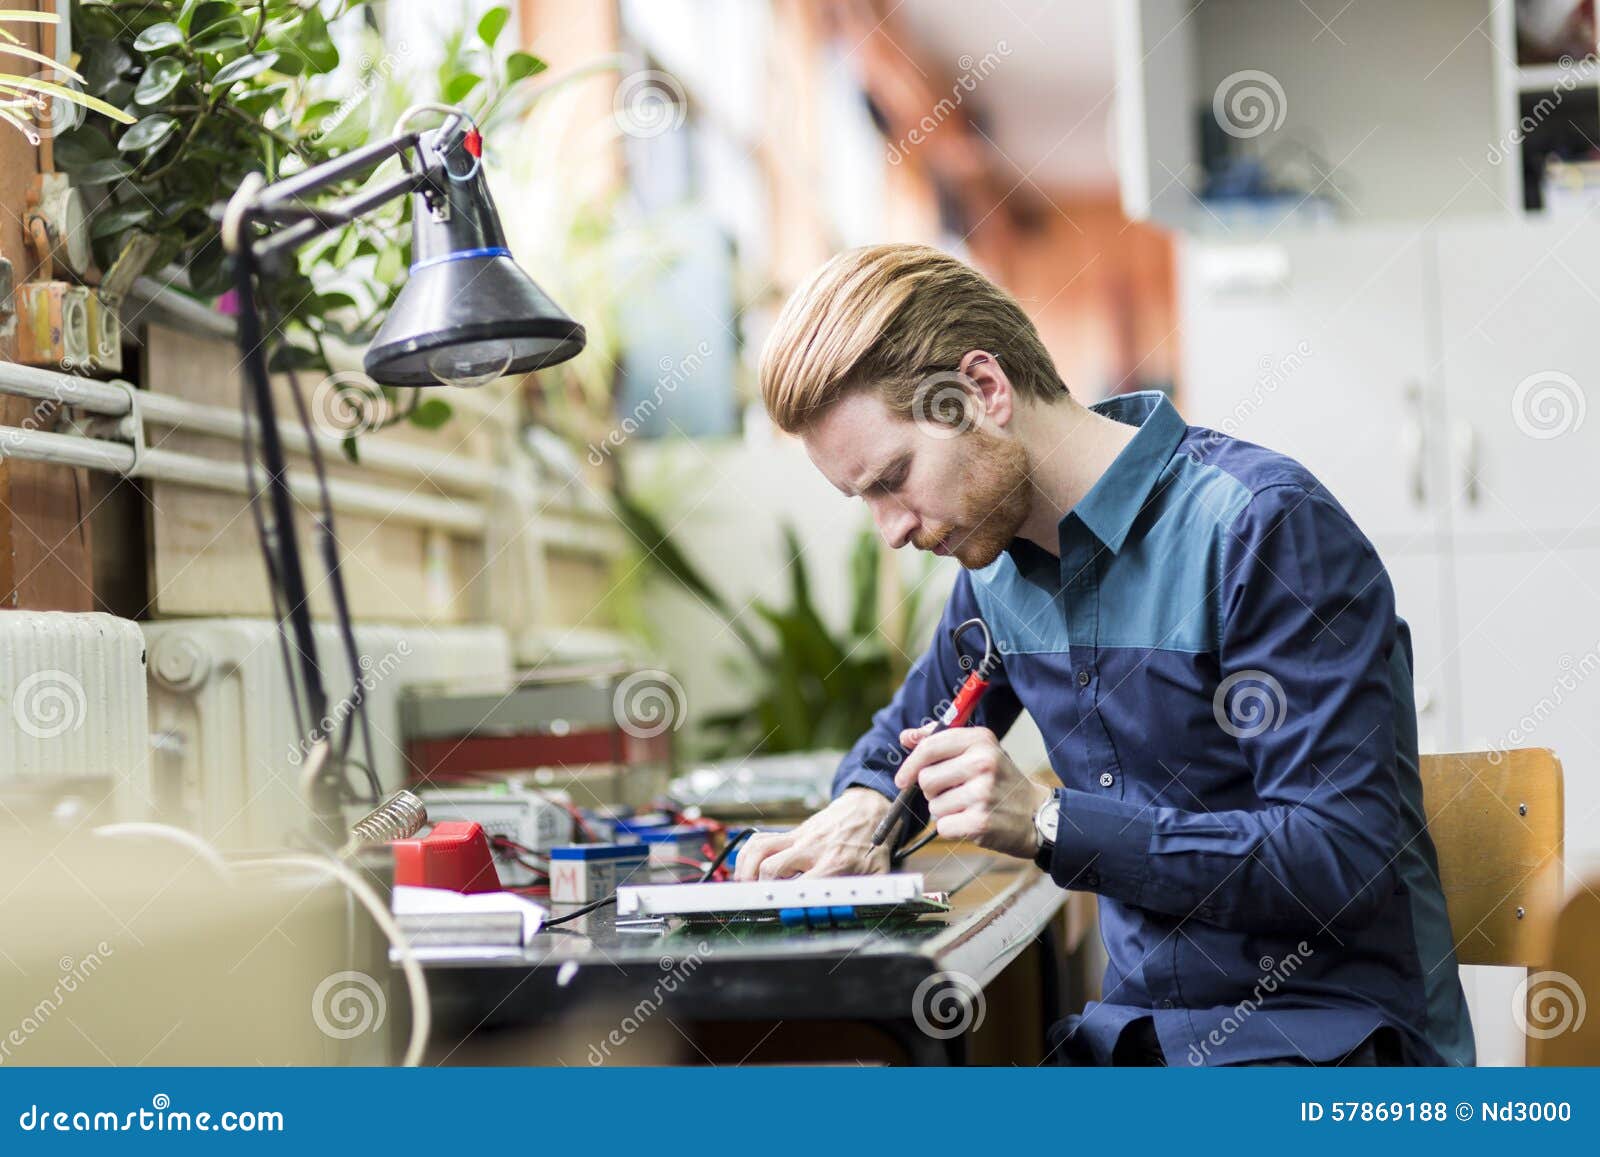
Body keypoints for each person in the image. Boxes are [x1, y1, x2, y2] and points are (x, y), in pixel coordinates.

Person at [733, 243, 1474, 1067]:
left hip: (1331, 1046)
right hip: (1142, 1044)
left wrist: (1049, 821)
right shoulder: (995, 576)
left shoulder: (1262, 530)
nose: (893, 529)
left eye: (893, 477)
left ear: (982, 391)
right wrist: (867, 805)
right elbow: (902, 741)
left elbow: (1342, 857)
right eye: (863, 498)